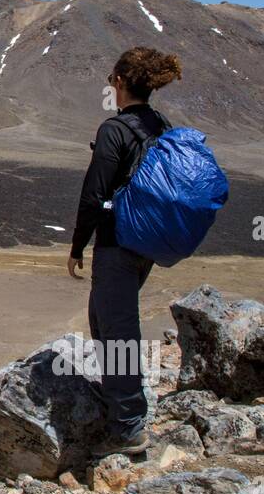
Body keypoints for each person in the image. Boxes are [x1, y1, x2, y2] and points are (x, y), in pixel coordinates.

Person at [67, 46, 182, 454]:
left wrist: (79, 244)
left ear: (120, 81)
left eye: (110, 81)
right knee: (104, 319)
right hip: (147, 242)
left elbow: (94, 194)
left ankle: (128, 428)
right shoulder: (160, 124)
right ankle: (120, 402)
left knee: (117, 332)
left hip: (118, 243)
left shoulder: (114, 130)